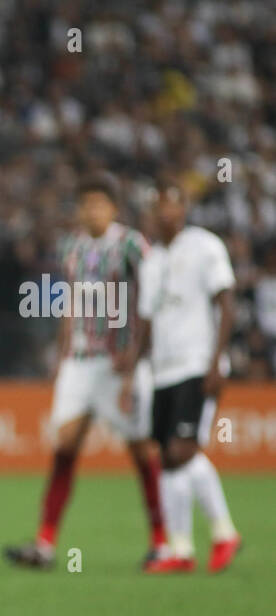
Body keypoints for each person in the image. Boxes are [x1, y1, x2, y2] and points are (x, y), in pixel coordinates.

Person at [4, 173, 165, 569]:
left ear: (113, 208)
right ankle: (44, 543)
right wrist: (60, 354)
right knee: (64, 445)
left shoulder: (131, 244)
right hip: (79, 360)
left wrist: (137, 354)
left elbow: (150, 298)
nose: (92, 210)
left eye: (99, 203)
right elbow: (68, 301)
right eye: (86, 203)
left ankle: (163, 539)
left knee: (142, 449)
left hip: (117, 364)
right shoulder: (71, 246)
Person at [140, 179, 242, 573]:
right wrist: (133, 369)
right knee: (166, 458)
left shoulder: (205, 246)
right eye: (159, 206)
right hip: (163, 369)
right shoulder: (152, 261)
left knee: (182, 450)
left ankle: (224, 531)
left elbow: (226, 303)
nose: (165, 213)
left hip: (197, 362)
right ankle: (180, 550)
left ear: (184, 209)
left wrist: (217, 361)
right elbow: (146, 320)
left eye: (172, 205)